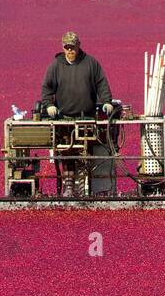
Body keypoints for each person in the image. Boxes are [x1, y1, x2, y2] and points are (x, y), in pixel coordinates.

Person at [41, 32, 114, 197]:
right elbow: (46, 88)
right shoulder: (55, 66)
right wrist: (49, 105)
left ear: (78, 45)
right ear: (63, 47)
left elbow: (101, 82)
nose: (70, 50)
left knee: (86, 152)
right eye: (66, 47)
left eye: (72, 47)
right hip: (64, 119)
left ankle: (85, 186)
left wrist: (107, 101)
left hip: (86, 117)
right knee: (67, 152)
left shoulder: (91, 63)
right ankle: (68, 187)